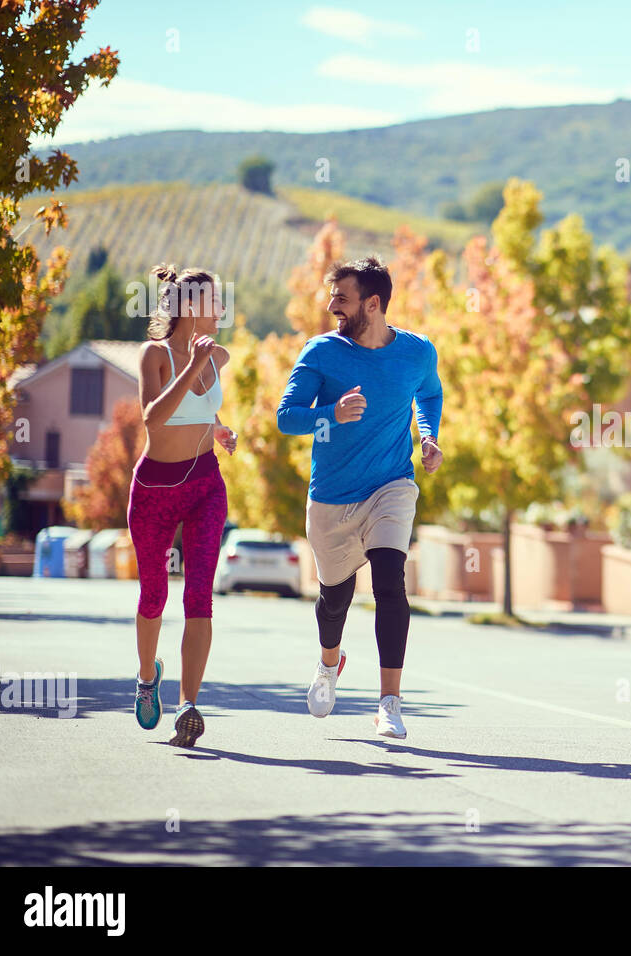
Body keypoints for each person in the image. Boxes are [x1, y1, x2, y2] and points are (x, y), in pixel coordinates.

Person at [277, 255, 443, 739]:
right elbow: (288, 417)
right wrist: (331, 412)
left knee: (391, 581)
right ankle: (330, 663)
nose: (332, 307)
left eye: (342, 299)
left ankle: (389, 703)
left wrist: (429, 436)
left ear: (374, 304)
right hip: (332, 496)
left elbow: (428, 395)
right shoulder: (321, 352)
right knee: (335, 599)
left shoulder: (417, 352)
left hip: (391, 484)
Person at [129, 264, 236, 748]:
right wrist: (192, 365)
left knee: (199, 596)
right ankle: (148, 677)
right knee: (154, 596)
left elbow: (200, 408)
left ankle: (188, 704)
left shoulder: (220, 356)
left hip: (205, 487)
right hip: (154, 491)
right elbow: (153, 420)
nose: (222, 310)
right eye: (215, 300)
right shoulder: (154, 355)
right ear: (190, 307)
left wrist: (217, 428)